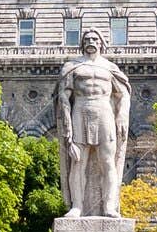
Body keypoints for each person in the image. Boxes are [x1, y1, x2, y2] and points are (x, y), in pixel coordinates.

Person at [56, 29, 132, 217]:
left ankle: (109, 207)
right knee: (78, 163)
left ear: (101, 43)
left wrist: (122, 113)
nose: (91, 41)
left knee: (108, 162)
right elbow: (63, 97)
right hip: (80, 111)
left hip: (104, 111)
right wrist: (67, 130)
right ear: (82, 43)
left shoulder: (110, 67)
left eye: (95, 39)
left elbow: (123, 94)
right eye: (87, 39)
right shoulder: (72, 67)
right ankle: (77, 206)